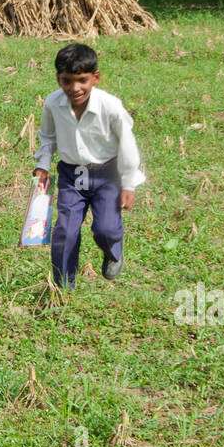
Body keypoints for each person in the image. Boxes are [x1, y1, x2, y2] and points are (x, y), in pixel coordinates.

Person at [32, 43, 144, 289]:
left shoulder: (110, 106)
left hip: (107, 175)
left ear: (95, 78)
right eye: (67, 81)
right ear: (58, 79)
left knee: (106, 229)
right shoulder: (52, 103)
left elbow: (127, 144)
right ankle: (63, 285)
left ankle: (113, 249)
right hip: (71, 176)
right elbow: (47, 137)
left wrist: (128, 184)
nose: (75, 88)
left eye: (82, 80)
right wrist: (43, 164)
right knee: (65, 231)